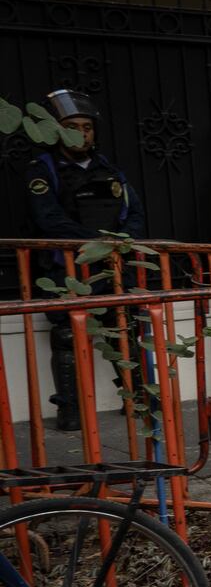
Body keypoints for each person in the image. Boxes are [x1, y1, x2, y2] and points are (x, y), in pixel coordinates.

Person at [25, 88, 145, 431]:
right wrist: (96, 243)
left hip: (112, 266)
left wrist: (120, 242)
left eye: (87, 126)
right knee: (67, 336)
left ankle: (137, 399)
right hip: (67, 267)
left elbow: (133, 213)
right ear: (57, 129)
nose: (82, 132)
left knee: (122, 329)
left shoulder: (110, 170)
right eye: (72, 125)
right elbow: (48, 219)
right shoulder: (42, 169)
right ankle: (70, 409)